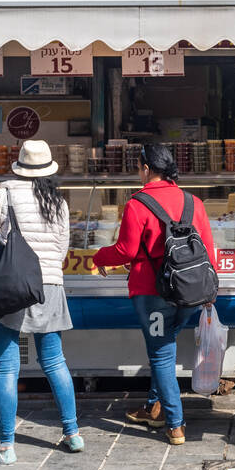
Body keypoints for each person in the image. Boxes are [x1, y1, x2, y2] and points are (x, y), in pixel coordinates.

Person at [93, 143, 216, 446]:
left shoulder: (138, 203)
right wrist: (211, 289)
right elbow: (208, 250)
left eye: (139, 167)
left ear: (146, 168)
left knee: (161, 354)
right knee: (162, 345)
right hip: (190, 293)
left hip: (154, 292)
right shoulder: (193, 202)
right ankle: (154, 407)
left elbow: (126, 250)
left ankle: (175, 423)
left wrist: (98, 257)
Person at [0, 139, 82, 464]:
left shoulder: (4, 193)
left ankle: (6, 446)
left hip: (10, 286)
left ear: (20, 165)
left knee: (7, 366)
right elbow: (63, 246)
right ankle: (72, 433)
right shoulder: (57, 200)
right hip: (49, 285)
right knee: (54, 361)